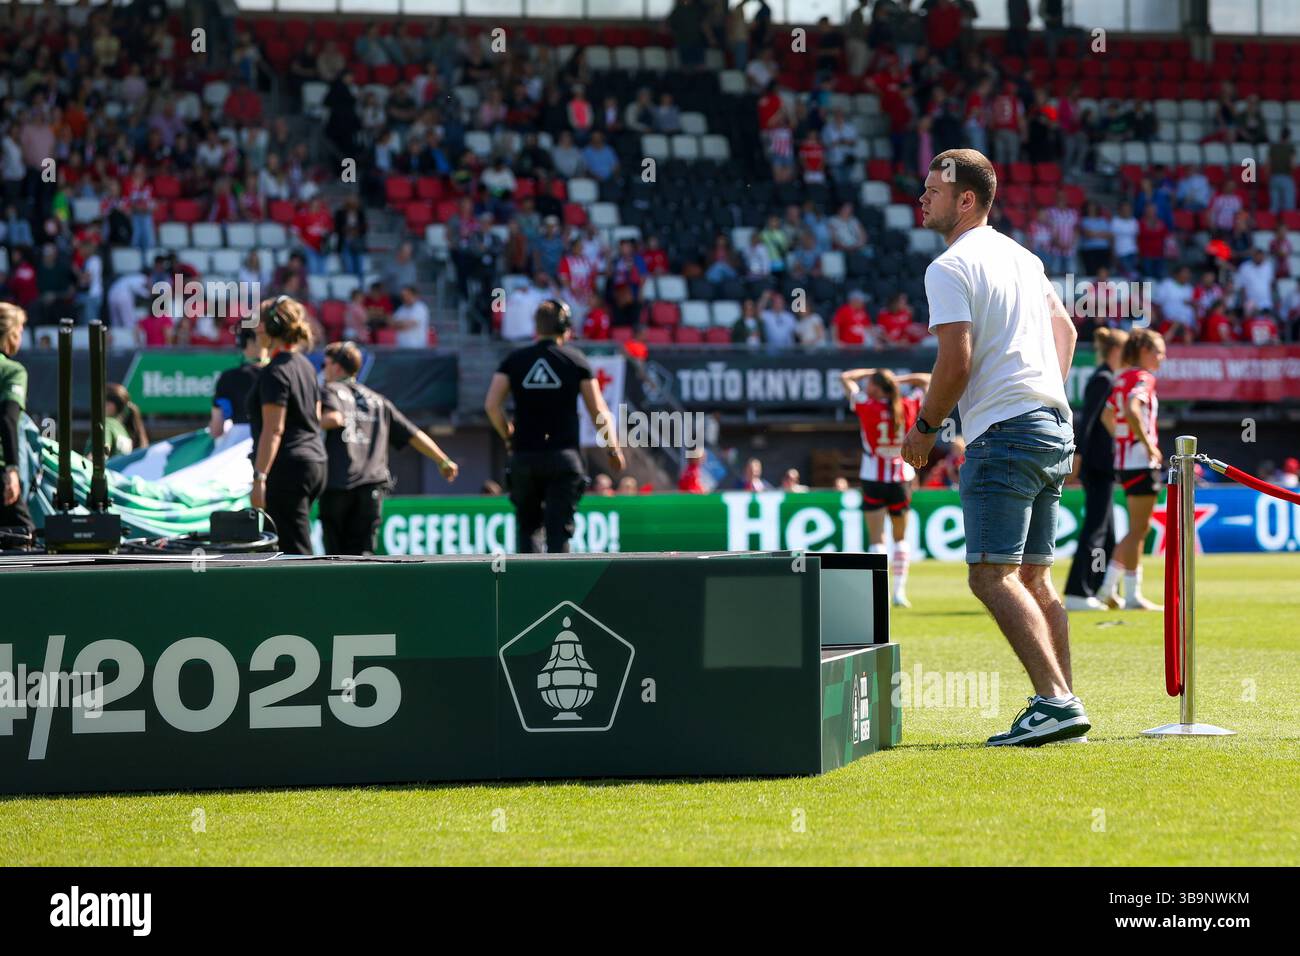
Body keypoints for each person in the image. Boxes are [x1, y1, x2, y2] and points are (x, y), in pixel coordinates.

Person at [901, 148, 1088, 747]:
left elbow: (953, 362)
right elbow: (1068, 331)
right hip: (1053, 425)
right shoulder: (1025, 257)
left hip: (1005, 432)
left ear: (967, 200)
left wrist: (925, 428)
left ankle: (1054, 701)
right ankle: (1065, 702)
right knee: (1036, 577)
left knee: (990, 575)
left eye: (933, 190)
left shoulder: (949, 266)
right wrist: (1047, 392)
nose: (922, 198)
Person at [484, 300, 625, 553]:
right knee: (558, 534)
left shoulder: (514, 360)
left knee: (528, 530)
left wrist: (508, 435)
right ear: (565, 328)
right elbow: (598, 411)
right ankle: (557, 591)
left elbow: (492, 405)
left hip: (524, 457)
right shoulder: (576, 360)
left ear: (536, 327)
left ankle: (528, 591)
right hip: (564, 458)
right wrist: (613, 449)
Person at [319, 341, 459, 554]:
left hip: (338, 487)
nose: (323, 370)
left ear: (336, 367)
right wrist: (442, 460)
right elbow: (413, 434)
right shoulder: (379, 401)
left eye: (325, 364)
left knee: (334, 558)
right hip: (371, 489)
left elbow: (333, 418)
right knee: (364, 556)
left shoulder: (330, 390)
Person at [842, 367, 931, 607]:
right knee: (900, 537)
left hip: (872, 478)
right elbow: (927, 379)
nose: (867, 386)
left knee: (876, 538)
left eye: (871, 382)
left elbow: (846, 377)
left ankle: (877, 594)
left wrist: (871, 371)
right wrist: (896, 379)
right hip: (901, 478)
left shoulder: (865, 404)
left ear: (876, 388)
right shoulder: (908, 403)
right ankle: (899, 592)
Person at [248, 296, 328, 555]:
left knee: (292, 551)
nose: (256, 328)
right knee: (293, 542)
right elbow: (315, 416)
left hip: (288, 467)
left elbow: (274, 429)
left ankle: (308, 595)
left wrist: (260, 477)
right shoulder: (306, 366)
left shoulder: (275, 371)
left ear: (273, 326)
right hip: (314, 463)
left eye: (260, 322)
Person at [1098, 329, 1167, 611]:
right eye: (1159, 351)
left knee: (1140, 527)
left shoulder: (1121, 377)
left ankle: (1121, 591)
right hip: (1140, 460)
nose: (1162, 357)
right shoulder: (1142, 378)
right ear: (1145, 352)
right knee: (1138, 528)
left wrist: (1122, 439)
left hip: (1125, 461)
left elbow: (1107, 414)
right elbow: (1132, 408)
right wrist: (1147, 444)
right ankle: (1120, 591)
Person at [1062, 328, 1128, 610]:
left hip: (1104, 464)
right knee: (1095, 529)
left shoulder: (1108, 378)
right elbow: (1086, 423)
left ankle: (1100, 587)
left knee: (1109, 531)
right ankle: (1078, 592)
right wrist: (1078, 457)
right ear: (1116, 351)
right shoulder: (1103, 379)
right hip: (1097, 464)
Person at [0, 304, 32, 540]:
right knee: (24, 536)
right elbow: (8, 419)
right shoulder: (12, 371)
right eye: (20, 330)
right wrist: (12, 468)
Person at [210, 327, 268, 445]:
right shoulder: (279, 374)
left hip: (237, 448)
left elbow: (216, 430)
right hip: (272, 444)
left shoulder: (227, 377)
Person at [88, 383, 148, 459]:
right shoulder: (124, 430)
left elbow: (100, 454)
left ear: (111, 405)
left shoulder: (107, 424)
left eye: (100, 400)